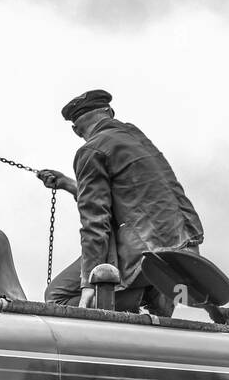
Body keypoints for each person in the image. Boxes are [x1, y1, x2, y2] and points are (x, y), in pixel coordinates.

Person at [39, 89, 205, 314]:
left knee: (56, 297)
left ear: (76, 130)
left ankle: (145, 296)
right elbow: (130, 198)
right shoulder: (136, 137)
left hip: (146, 254)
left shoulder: (90, 151)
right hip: (185, 249)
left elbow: (95, 222)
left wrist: (89, 282)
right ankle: (159, 295)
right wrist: (69, 184)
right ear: (110, 112)